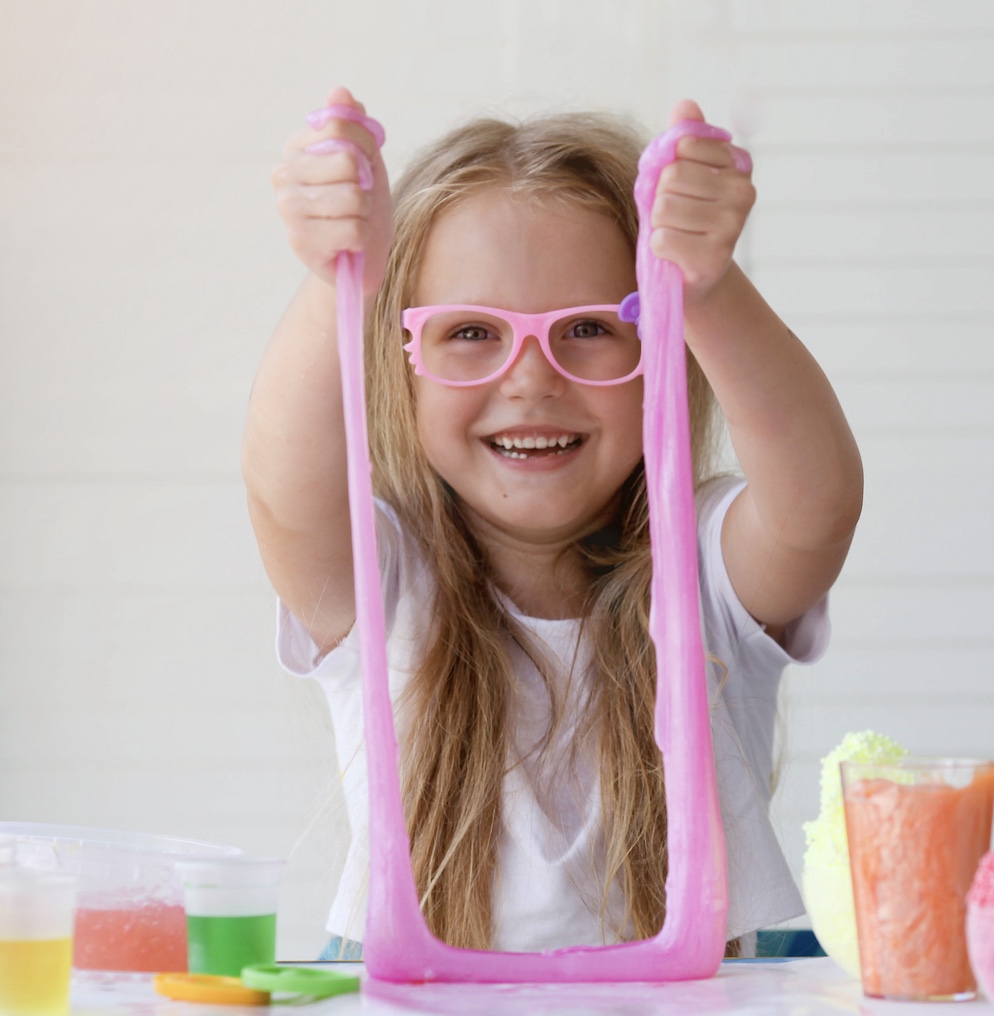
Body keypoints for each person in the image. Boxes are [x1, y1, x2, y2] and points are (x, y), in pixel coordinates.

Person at [244, 86, 863, 959]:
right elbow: (283, 492)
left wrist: (706, 290)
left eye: (586, 327)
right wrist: (329, 283)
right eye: (469, 333)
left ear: (661, 354)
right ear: (401, 365)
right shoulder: (387, 577)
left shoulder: (702, 568)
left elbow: (818, 505)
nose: (531, 377)